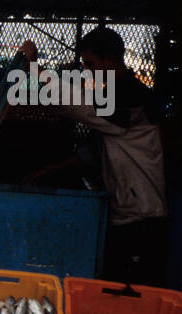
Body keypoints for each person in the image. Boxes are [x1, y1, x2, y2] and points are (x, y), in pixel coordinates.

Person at [21, 28, 167, 285]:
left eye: (90, 63)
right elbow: (92, 151)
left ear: (110, 59)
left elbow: (78, 103)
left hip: (142, 213)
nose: (88, 70)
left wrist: (34, 67)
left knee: (132, 288)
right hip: (127, 208)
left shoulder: (128, 97)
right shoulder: (118, 94)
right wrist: (47, 171)